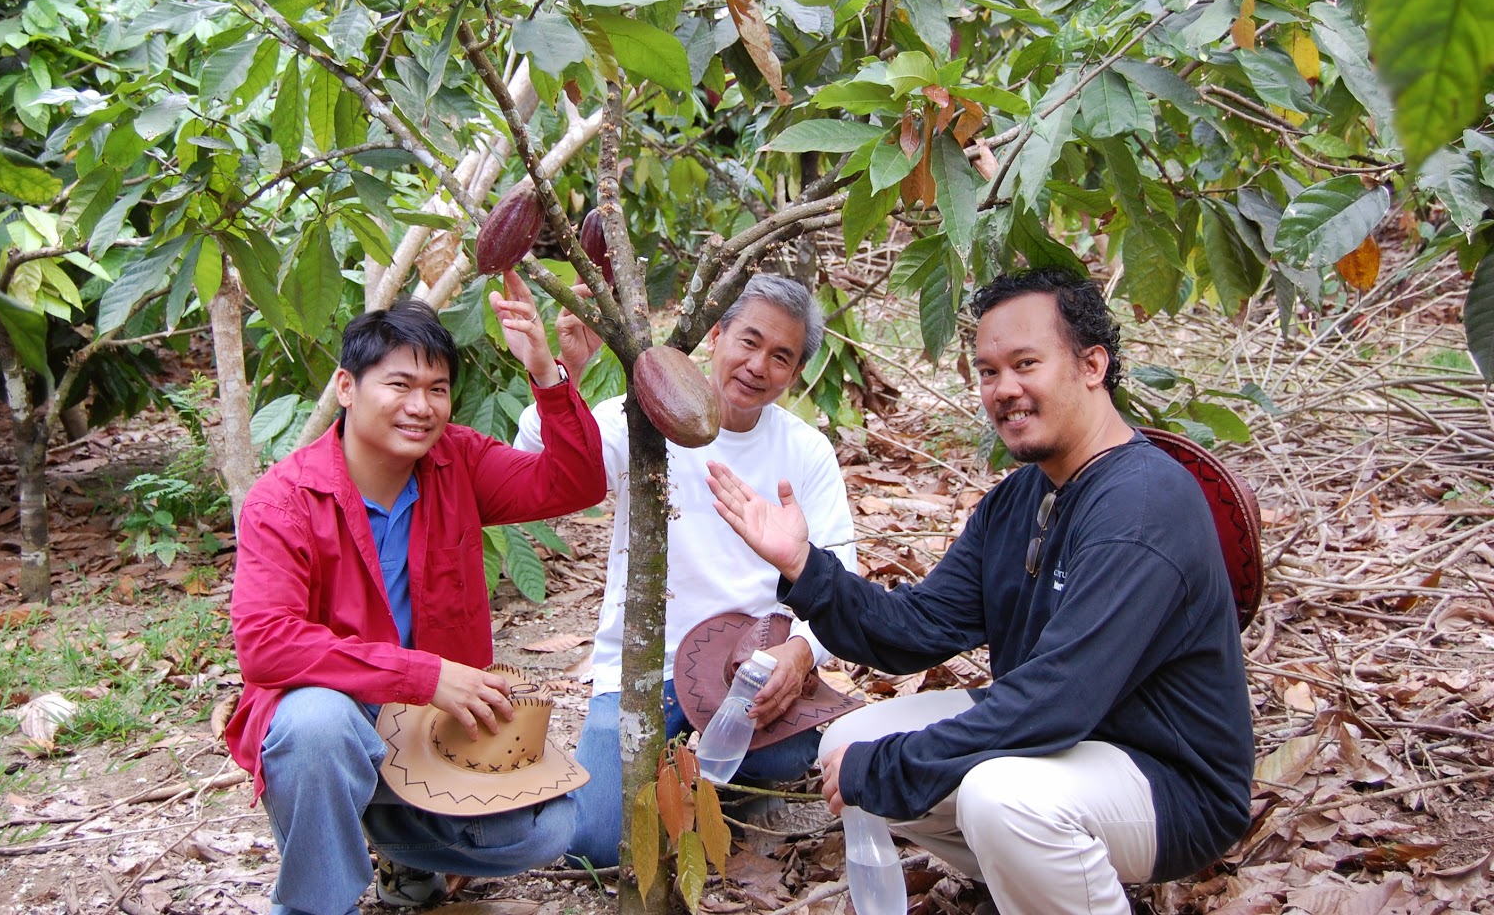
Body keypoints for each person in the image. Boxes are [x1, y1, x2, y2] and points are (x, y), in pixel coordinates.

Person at [705, 268, 1254, 915]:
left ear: (1091, 366)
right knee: (845, 744)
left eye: (1026, 363)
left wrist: (887, 769)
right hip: (1072, 747)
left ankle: (1065, 879)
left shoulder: (1140, 507)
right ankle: (1046, 883)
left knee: (999, 799)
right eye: (989, 371)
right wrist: (804, 565)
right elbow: (914, 630)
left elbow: (1056, 700)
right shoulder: (1023, 497)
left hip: (1170, 781)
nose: (1005, 389)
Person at [225, 272, 607, 915]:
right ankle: (316, 902)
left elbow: (574, 484)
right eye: (399, 385)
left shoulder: (455, 462)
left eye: (437, 390)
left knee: (554, 830)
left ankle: (399, 850)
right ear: (347, 388)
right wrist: (424, 674)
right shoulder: (284, 499)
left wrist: (547, 372)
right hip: (341, 716)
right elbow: (266, 646)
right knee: (315, 726)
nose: (421, 405)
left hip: (427, 725)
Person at [516, 273, 859, 869]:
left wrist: (799, 656)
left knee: (789, 753)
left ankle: (700, 785)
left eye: (780, 356)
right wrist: (558, 373)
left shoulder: (805, 452)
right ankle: (688, 784)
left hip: (745, 675)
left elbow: (841, 577)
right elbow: (539, 469)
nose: (758, 366)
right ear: (717, 335)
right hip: (644, 668)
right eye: (748, 342)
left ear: (796, 372)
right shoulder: (643, 421)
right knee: (596, 848)